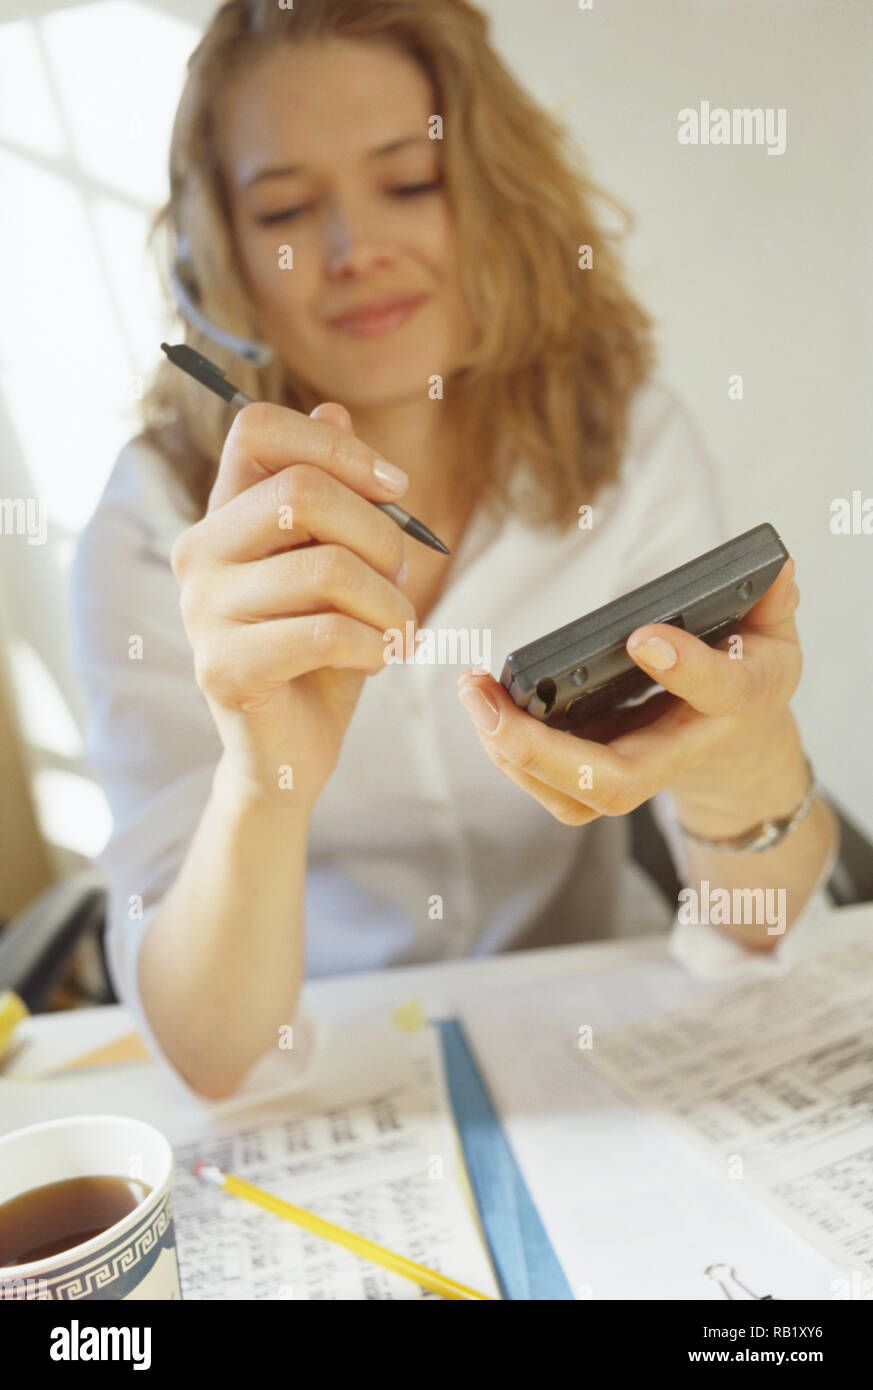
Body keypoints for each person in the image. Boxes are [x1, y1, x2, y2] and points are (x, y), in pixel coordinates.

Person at [70, 0, 838, 1100]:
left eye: (408, 181)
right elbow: (209, 1050)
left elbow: (769, 936)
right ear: (218, 256)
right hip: (337, 1079)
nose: (353, 251)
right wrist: (262, 778)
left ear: (490, 189)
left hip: (594, 1044)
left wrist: (739, 754)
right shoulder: (153, 526)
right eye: (287, 207)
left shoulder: (623, 442)